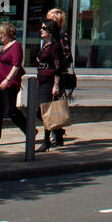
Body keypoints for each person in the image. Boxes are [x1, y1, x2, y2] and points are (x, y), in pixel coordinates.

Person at [0, 21, 27, 146]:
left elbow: (16, 65)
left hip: (9, 84)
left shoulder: (15, 46)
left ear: (8, 33)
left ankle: (29, 130)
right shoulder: (4, 47)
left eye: (1, 34)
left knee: (11, 110)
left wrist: (7, 79)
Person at [36, 15, 66, 150]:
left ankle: (46, 141)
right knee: (41, 111)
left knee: (45, 111)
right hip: (41, 80)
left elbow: (57, 66)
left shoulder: (54, 46)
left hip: (49, 81)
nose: (41, 30)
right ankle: (58, 132)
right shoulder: (45, 45)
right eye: (41, 28)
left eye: (44, 28)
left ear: (50, 31)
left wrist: (56, 84)